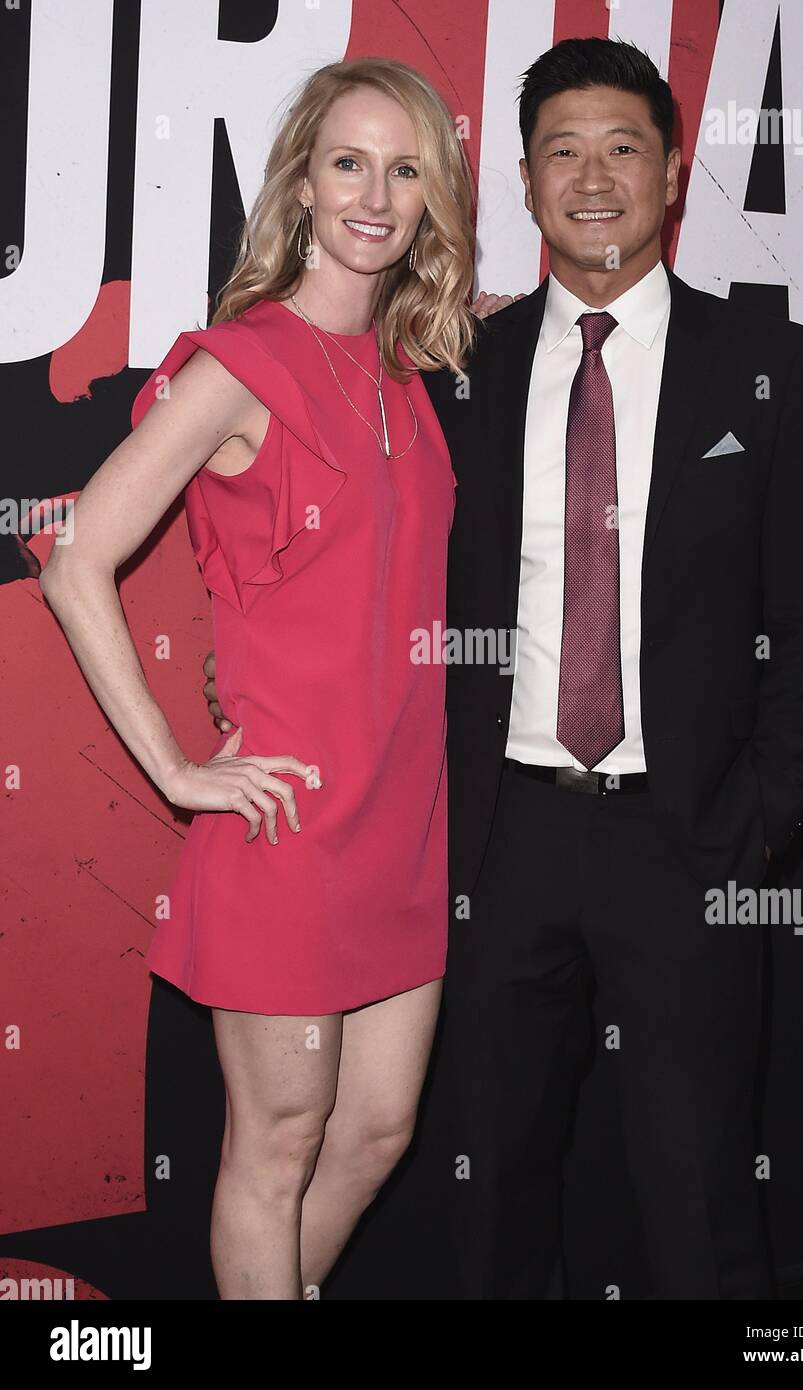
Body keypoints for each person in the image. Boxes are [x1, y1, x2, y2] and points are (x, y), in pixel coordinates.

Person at [205, 37, 803, 1298]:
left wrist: (759, 823)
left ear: (672, 173)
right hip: (496, 841)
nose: (593, 175)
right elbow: (350, 563)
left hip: (692, 842)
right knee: (491, 1184)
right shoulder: (458, 372)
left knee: (701, 1190)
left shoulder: (767, 369)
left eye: (623, 146)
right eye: (562, 150)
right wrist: (244, 683)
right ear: (522, 180)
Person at [39, 57, 480, 1300]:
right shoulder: (242, 362)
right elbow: (79, 562)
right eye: (348, 162)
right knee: (277, 1145)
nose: (376, 195)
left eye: (405, 169)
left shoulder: (409, 373)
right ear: (300, 183)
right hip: (288, 822)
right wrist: (181, 768)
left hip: (404, 820)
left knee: (378, 1131)